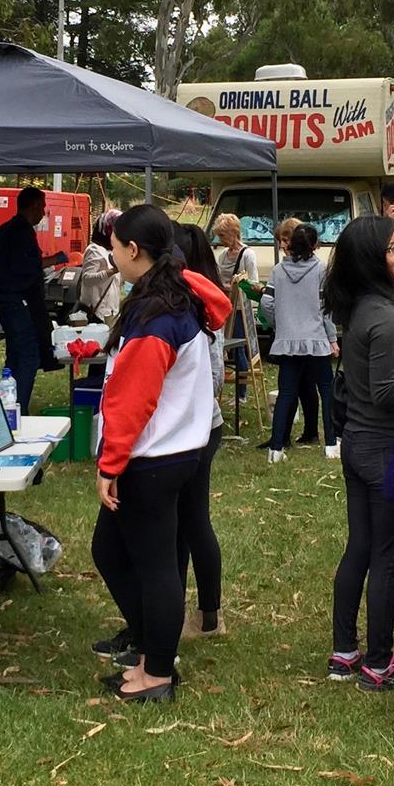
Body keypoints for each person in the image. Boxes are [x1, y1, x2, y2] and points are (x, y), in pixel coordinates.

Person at [91, 206, 230, 702]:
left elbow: (133, 398)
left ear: (133, 250)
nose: (111, 255)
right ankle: (153, 651)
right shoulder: (173, 296)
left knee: (154, 565)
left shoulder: (159, 314)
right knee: (110, 550)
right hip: (173, 450)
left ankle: (158, 673)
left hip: (153, 457)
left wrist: (110, 463)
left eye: (114, 247)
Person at [326, 217, 394, 690]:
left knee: (359, 548)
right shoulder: (387, 318)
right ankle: (379, 664)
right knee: (386, 559)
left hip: (358, 444)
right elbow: (387, 392)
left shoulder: (360, 307)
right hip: (384, 448)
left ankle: (344, 652)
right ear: (369, 259)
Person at [172, 224, 230, 638]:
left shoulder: (201, 306)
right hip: (198, 426)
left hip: (197, 429)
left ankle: (208, 615)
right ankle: (178, 609)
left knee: (192, 523)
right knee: (183, 523)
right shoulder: (197, 300)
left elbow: (215, 377)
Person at [263, 221, 340, 462]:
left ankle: (276, 449)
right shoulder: (321, 270)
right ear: (315, 245)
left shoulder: (277, 271)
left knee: (286, 393)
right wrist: (332, 339)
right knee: (326, 391)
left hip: (287, 341)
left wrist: (280, 323)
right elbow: (325, 309)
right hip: (316, 340)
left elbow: (266, 303)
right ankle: (331, 444)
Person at [0, 186, 64, 415]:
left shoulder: (4, 229)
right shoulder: (20, 231)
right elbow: (23, 265)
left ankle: (8, 404)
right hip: (19, 301)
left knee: (15, 354)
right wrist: (54, 259)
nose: (43, 212)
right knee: (28, 354)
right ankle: (18, 409)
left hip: (7, 300)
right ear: (33, 206)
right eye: (42, 207)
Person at [213, 213, 259, 408]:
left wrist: (237, 285)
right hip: (224, 307)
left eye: (223, 235)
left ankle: (242, 394)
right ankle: (221, 389)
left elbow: (254, 283)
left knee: (238, 348)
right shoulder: (223, 255)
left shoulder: (247, 254)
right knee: (224, 347)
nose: (220, 240)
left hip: (240, 308)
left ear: (234, 233)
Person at [77, 209, 125, 324]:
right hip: (96, 313)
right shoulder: (94, 250)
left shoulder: (113, 251)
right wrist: (112, 271)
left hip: (111, 312)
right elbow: (87, 279)